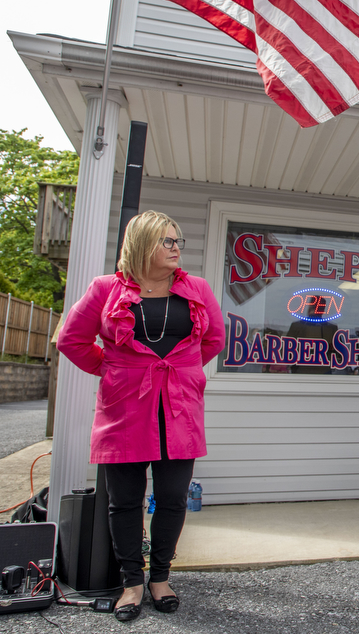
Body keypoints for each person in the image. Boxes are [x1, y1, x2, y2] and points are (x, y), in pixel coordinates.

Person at [58, 211, 225, 621]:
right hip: (124, 409)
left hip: (179, 408)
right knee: (125, 500)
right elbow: (71, 339)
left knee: (172, 497)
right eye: (167, 241)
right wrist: (113, 369)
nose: (176, 248)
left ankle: (161, 578)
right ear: (143, 244)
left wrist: (180, 372)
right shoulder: (105, 289)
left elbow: (214, 339)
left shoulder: (197, 288)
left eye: (177, 241)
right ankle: (132, 582)